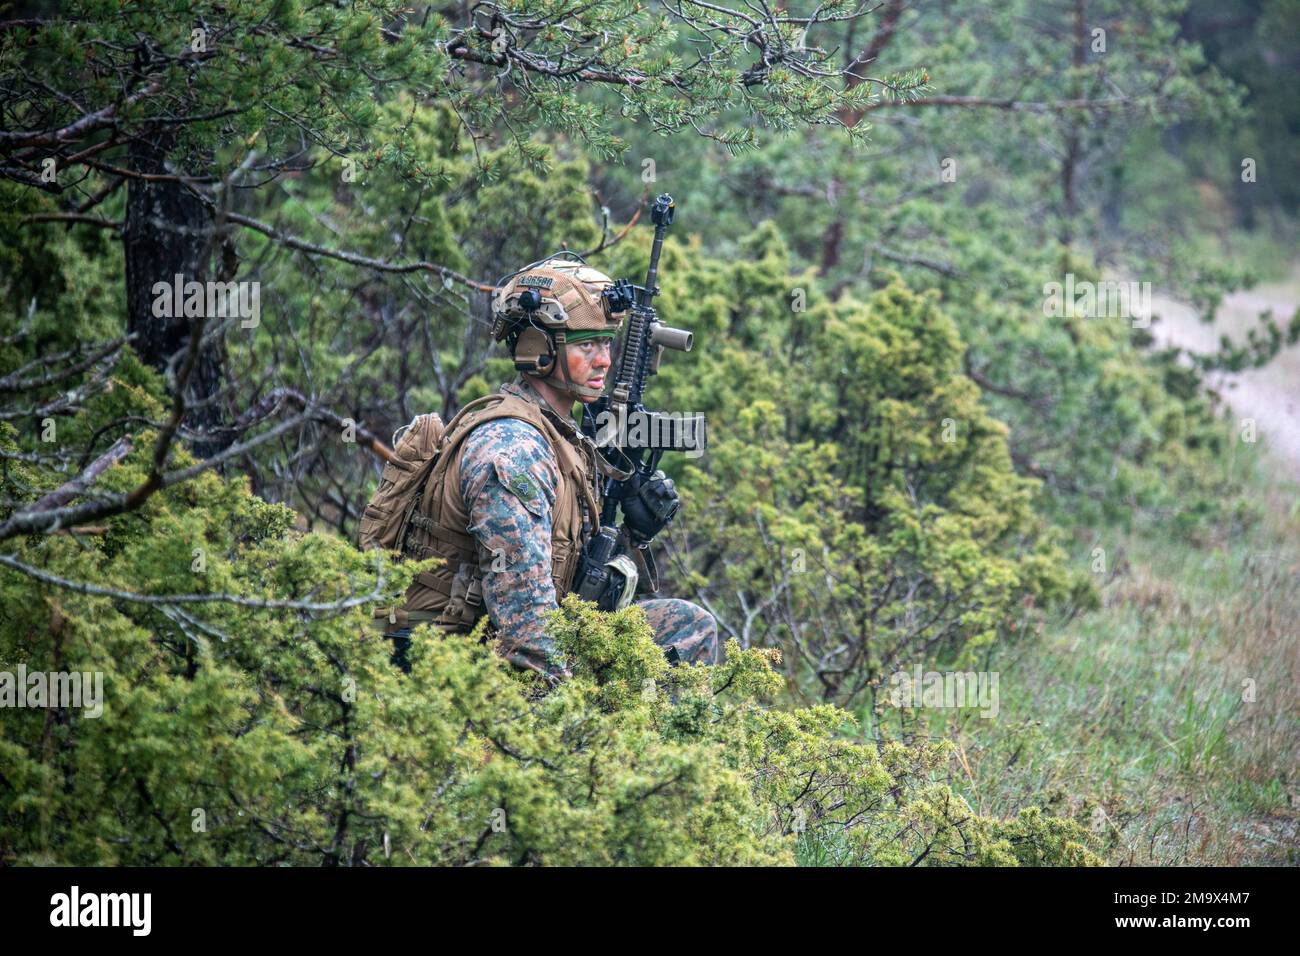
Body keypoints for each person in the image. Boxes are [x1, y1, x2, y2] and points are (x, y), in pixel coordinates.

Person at [378, 255, 718, 683]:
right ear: (537, 350)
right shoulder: (514, 450)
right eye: (586, 345)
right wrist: (584, 707)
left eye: (606, 343)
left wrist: (632, 533)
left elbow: (573, 578)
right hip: (456, 663)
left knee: (689, 627)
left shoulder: (562, 435)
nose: (604, 361)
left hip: (510, 640)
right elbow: (527, 632)